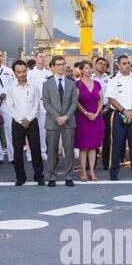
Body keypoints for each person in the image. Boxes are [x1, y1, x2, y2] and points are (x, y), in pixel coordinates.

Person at [106, 55, 132, 181]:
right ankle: (114, 173)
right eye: (124, 63)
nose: (127, 65)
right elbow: (111, 98)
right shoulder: (113, 80)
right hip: (118, 115)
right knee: (117, 144)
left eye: (129, 63)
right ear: (118, 65)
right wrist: (123, 111)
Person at [4, 59, 43, 187]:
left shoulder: (34, 87)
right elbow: (10, 106)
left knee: (36, 150)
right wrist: (21, 120)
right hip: (17, 123)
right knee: (17, 151)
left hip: (31, 122)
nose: (22, 74)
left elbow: (37, 103)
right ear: (14, 73)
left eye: (24, 71)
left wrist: (29, 119)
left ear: (27, 71)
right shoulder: (10, 88)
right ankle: (20, 177)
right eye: (19, 72)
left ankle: (39, 176)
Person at [41, 55, 78, 187]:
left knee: (68, 150)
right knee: (52, 150)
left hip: (68, 120)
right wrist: (57, 117)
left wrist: (66, 117)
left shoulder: (71, 83)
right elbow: (45, 103)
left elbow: (74, 102)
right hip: (52, 121)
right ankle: (51, 176)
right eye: (58, 64)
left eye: (63, 64)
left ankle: (68, 176)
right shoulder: (47, 83)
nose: (61, 66)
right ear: (52, 67)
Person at [72, 60, 104, 183]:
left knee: (93, 147)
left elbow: (101, 100)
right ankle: (83, 171)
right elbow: (76, 101)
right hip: (82, 118)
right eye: (86, 68)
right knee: (84, 147)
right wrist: (86, 113)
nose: (89, 70)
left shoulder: (97, 84)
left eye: (90, 68)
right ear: (81, 70)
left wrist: (96, 113)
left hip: (95, 117)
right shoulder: (77, 84)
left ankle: (92, 171)